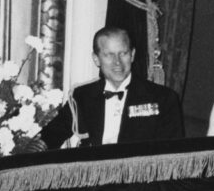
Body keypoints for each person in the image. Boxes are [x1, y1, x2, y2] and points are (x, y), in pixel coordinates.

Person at [38, 26, 185, 148]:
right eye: (109, 55)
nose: (117, 62)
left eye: (123, 53)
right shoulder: (82, 96)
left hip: (139, 180)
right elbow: (51, 135)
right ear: (96, 59)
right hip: (93, 177)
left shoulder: (163, 98)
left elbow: (172, 155)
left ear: (132, 55)